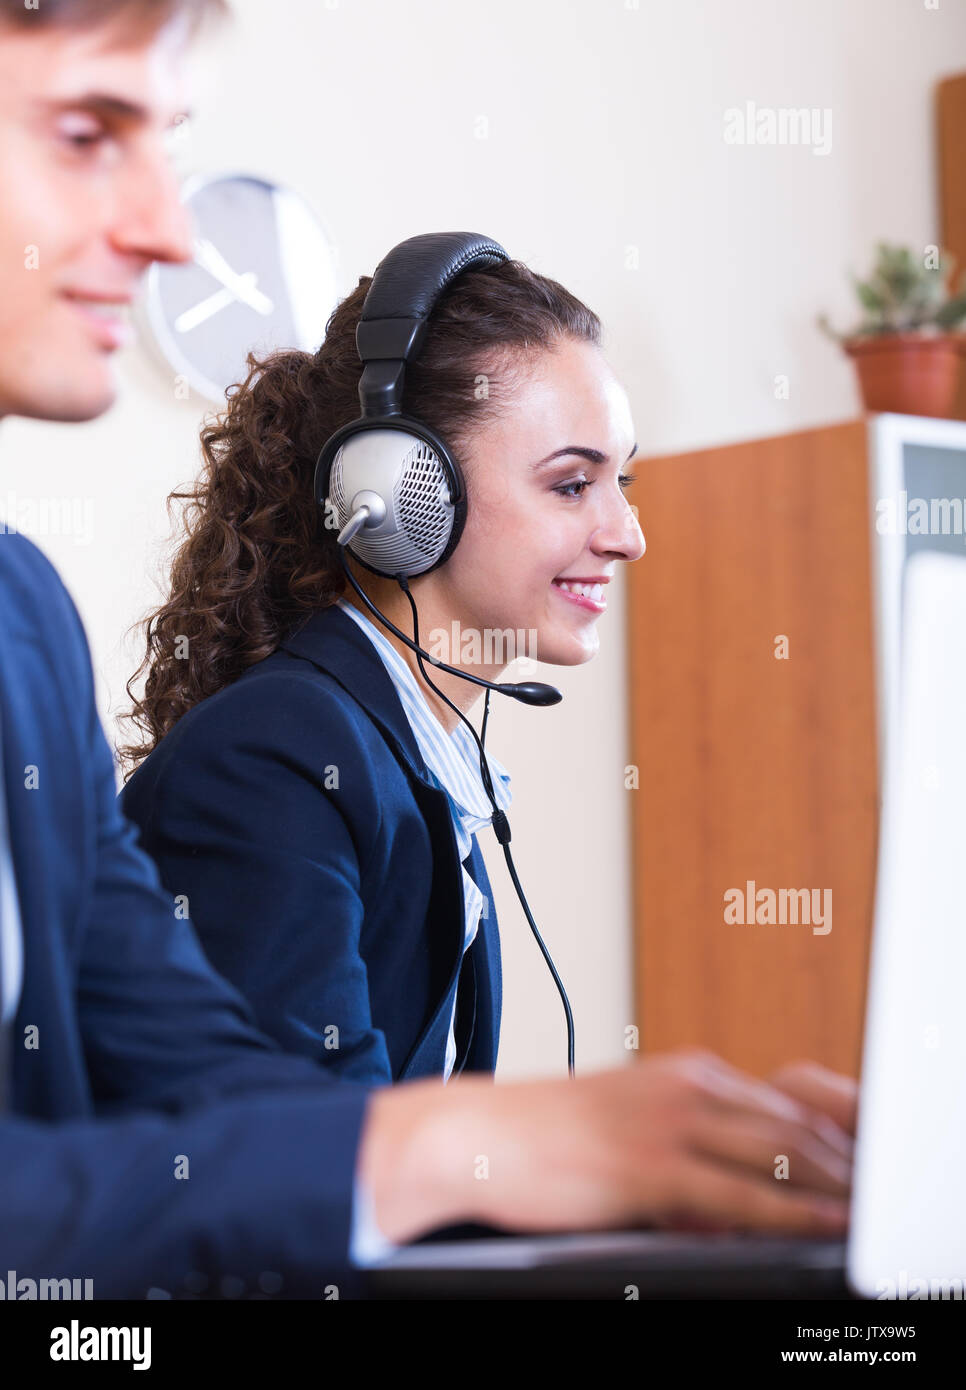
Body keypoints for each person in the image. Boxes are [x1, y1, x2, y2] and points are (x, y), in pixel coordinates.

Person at [0, 0, 857, 1300]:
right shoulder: (285, 752)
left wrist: (603, 1162)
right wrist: (482, 1149)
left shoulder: (25, 620)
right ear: (399, 494)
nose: (171, 230)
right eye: (82, 130)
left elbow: (241, 1122)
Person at [117, 250, 643, 1087]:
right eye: (574, 485)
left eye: (625, 481)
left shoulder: (406, 761)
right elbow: (303, 1160)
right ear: (403, 491)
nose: (627, 534)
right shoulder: (275, 758)